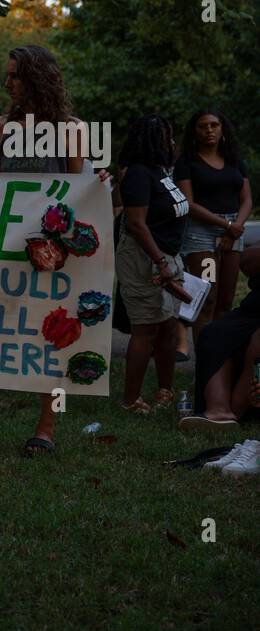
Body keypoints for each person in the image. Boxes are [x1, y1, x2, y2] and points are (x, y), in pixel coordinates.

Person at [0, 45, 90, 455]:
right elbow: (5, 184)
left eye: (14, 75)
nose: (7, 83)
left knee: (49, 333)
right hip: (3, 245)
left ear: (37, 78)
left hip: (49, 253)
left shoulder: (70, 128)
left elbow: (76, 190)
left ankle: (45, 428)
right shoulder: (1, 127)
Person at [116, 116, 189, 413]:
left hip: (167, 255)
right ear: (152, 141)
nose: (172, 143)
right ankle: (131, 400)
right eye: (167, 137)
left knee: (169, 328)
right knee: (145, 330)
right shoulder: (138, 174)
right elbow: (135, 223)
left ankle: (164, 390)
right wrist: (160, 263)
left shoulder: (161, 172)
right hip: (143, 259)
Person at [175, 110, 250, 348]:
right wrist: (226, 226)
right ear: (194, 131)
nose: (209, 130)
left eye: (214, 125)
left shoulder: (235, 161)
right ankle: (204, 364)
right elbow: (188, 204)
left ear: (222, 129)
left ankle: (220, 359)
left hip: (233, 232)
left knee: (226, 301)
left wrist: (234, 227)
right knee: (207, 298)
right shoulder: (187, 162)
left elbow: (247, 199)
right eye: (203, 126)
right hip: (201, 235)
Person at [183, 246, 260, 435]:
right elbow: (247, 262)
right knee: (214, 333)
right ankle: (218, 409)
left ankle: (235, 409)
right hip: (253, 310)